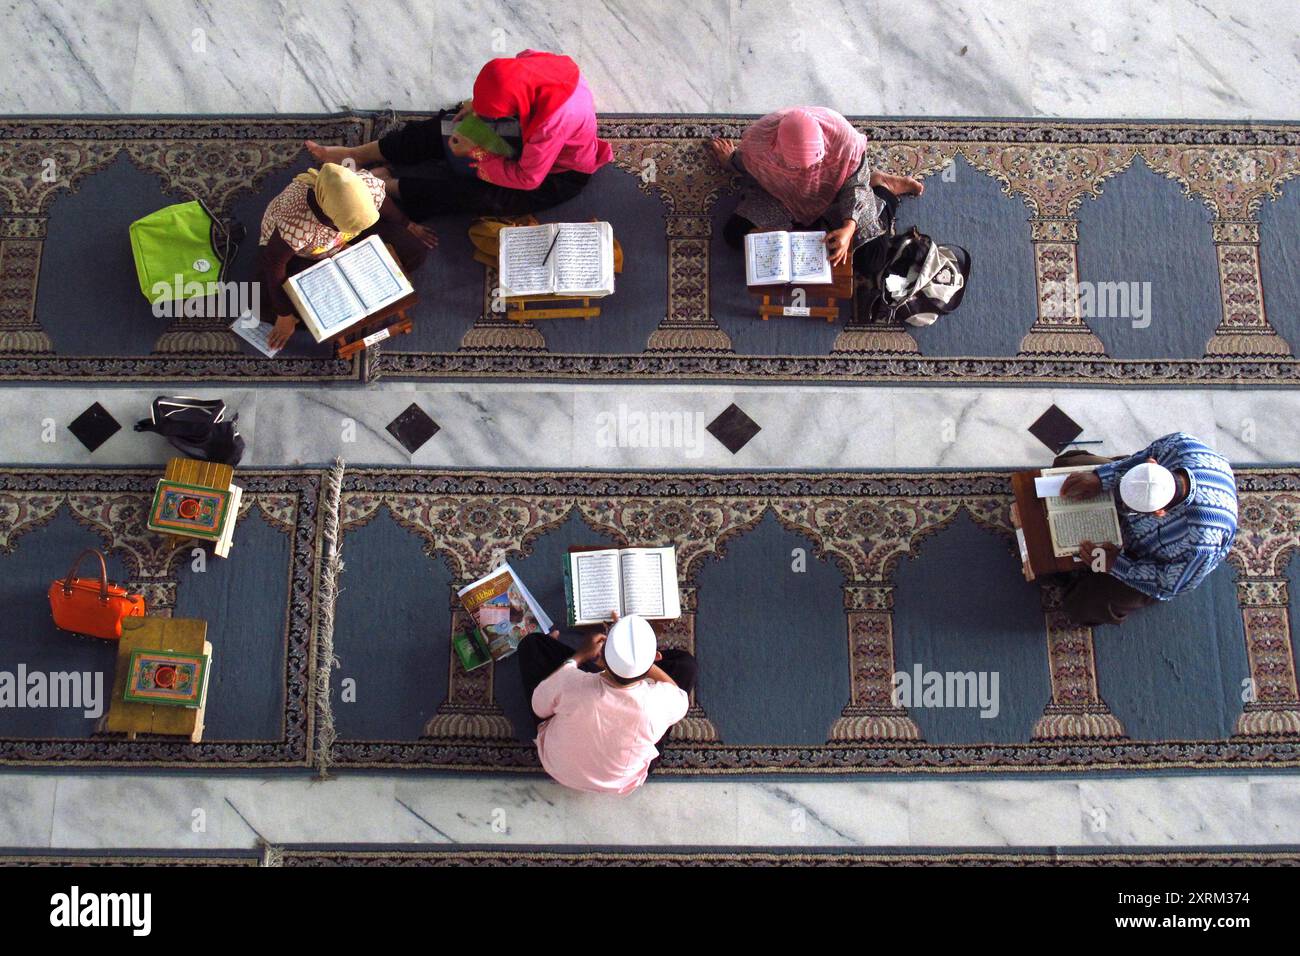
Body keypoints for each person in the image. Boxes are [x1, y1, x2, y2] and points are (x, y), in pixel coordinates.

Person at [304, 50, 613, 221]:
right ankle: (361, 154)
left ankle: (386, 185)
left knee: (480, 197)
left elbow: (528, 178)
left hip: (557, 172)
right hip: (525, 132)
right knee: (450, 122)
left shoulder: (552, 123)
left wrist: (477, 154)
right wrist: (475, 107)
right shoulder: (533, 63)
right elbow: (502, 86)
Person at [1054, 432, 1238, 626]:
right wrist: (1100, 480)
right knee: (1067, 467)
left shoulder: (1199, 543)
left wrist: (1115, 564)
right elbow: (1140, 457)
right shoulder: (1180, 445)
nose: (1120, 505)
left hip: (1150, 560)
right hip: (1139, 485)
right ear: (1153, 465)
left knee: (1082, 606)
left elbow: (1169, 584)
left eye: (1129, 507)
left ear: (1159, 512)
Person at [709, 106, 924, 269]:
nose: (806, 174)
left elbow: (855, 183)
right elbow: (747, 165)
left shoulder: (843, 138)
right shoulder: (760, 142)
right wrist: (730, 161)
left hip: (836, 192)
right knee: (734, 235)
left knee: (874, 259)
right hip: (783, 198)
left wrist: (849, 229)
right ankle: (808, 225)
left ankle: (883, 186)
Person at [257, 163, 437, 349]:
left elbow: (384, 205)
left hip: (344, 234)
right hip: (305, 252)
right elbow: (274, 263)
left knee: (414, 251)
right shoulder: (297, 224)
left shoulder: (366, 187)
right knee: (267, 305)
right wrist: (284, 315)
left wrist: (408, 224)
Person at [516, 612, 695, 795]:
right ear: (656, 657)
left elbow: (538, 708)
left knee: (532, 644)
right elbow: (677, 694)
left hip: (558, 767)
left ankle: (594, 665)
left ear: (600, 656)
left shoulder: (571, 681)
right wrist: (639, 663)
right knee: (686, 665)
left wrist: (578, 657)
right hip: (621, 781)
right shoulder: (657, 703)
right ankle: (624, 669)